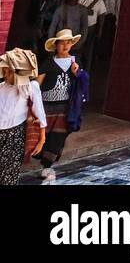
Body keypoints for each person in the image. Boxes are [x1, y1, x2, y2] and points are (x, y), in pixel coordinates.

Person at [36, 30, 81, 169]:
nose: (65, 45)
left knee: (58, 136)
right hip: (47, 106)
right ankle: (43, 158)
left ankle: (47, 165)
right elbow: (36, 84)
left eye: (68, 42)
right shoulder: (48, 63)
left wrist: (77, 73)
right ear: (56, 45)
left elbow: (81, 84)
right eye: (62, 42)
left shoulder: (75, 63)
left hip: (64, 106)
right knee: (44, 135)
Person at [0, 49, 45, 186]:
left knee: (8, 175)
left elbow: (40, 113)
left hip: (14, 137)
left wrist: (41, 139)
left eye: (9, 72)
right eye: (5, 71)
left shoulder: (31, 88)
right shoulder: (2, 87)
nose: (5, 75)